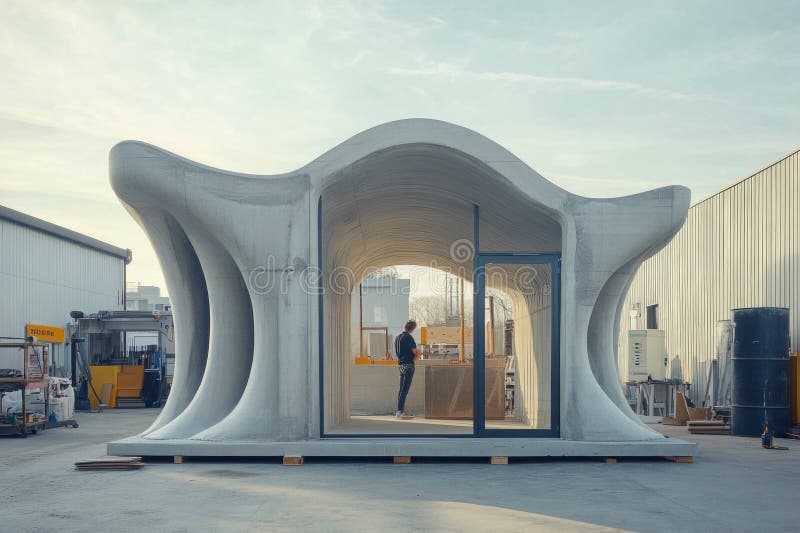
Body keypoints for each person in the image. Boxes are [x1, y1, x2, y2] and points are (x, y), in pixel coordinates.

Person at [394, 319, 421, 419]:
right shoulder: (408, 337)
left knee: (401, 389)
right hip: (408, 365)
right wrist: (416, 357)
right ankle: (400, 411)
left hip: (400, 365)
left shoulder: (397, 337)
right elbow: (415, 351)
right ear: (412, 329)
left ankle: (399, 410)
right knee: (405, 390)